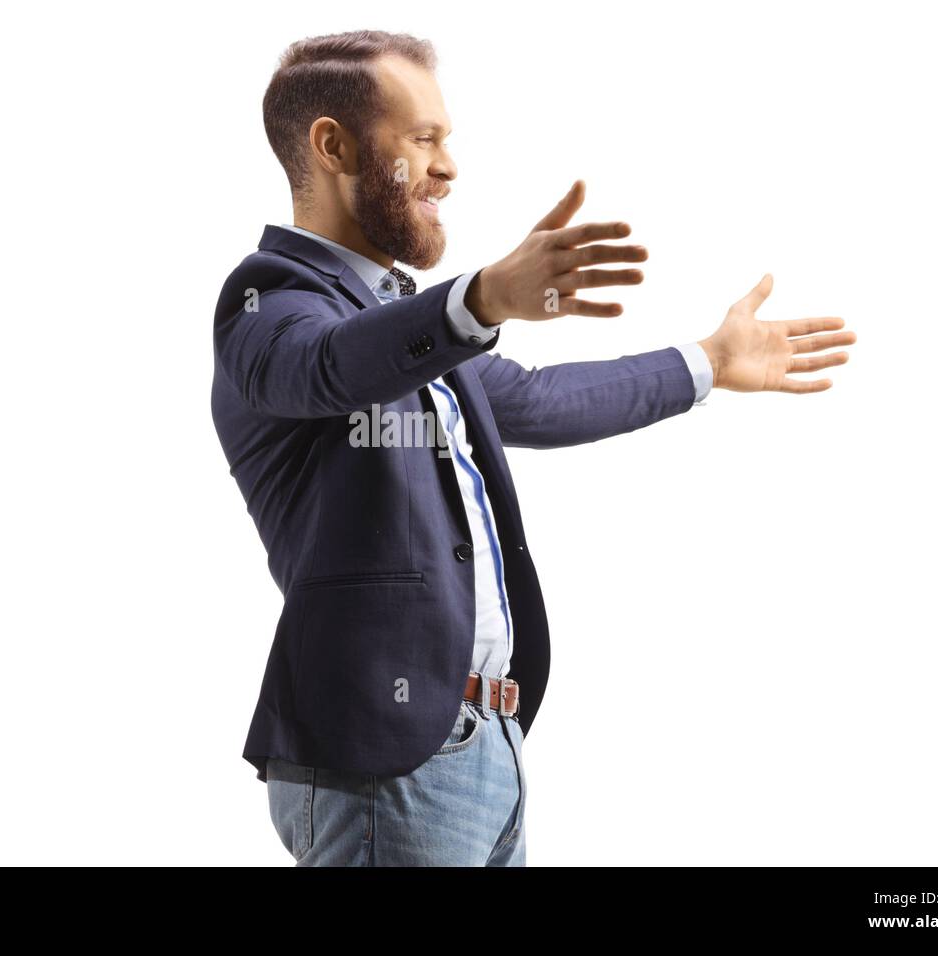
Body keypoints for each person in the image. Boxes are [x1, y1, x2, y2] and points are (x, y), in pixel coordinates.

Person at [210, 30, 856, 866]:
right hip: (383, 758)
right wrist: (477, 300)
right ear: (333, 145)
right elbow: (332, 369)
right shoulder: (269, 303)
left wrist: (708, 362)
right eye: (424, 139)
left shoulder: (416, 336)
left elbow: (542, 400)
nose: (449, 167)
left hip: (487, 748)